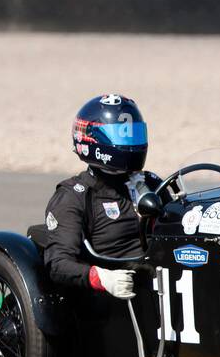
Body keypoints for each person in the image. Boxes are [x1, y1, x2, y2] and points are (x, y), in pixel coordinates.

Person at [43, 93, 149, 300]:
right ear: (93, 139)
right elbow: (58, 263)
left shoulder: (150, 184)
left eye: (133, 133)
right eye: (121, 134)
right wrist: (101, 278)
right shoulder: (74, 196)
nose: (129, 142)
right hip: (110, 301)